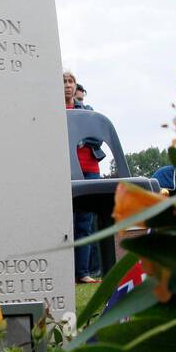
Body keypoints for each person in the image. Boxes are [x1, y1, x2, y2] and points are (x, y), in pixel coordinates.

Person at [65, 71, 102, 283]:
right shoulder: (52, 111)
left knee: (85, 223)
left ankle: (83, 273)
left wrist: (81, 138)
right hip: (65, 170)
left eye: (71, 81)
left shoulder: (87, 111)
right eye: (63, 81)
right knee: (65, 222)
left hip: (89, 170)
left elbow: (97, 138)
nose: (67, 85)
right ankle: (66, 273)